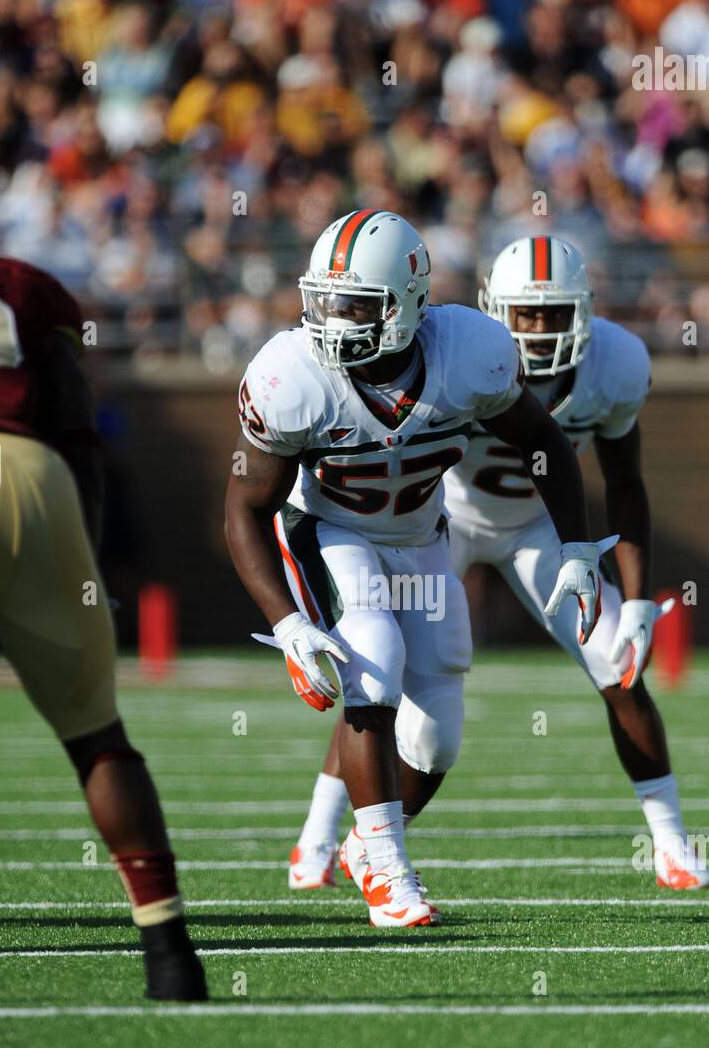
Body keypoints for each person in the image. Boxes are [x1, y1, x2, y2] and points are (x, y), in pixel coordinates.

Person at [291, 235, 709, 892]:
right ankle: (316, 840)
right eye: (524, 314)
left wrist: (633, 599)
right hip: (442, 519)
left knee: (619, 667)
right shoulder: (465, 355)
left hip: (541, 530)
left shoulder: (615, 364)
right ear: (494, 309)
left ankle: (671, 845)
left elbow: (625, 483)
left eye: (553, 314)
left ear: (585, 311)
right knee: (373, 672)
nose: (539, 331)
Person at [225, 209, 608, 927]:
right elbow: (244, 511)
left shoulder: (469, 353)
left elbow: (544, 443)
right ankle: (387, 869)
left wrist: (578, 547)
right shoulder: (292, 375)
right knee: (373, 658)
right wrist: (287, 621)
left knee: (436, 737)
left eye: (353, 305)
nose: (331, 320)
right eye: (322, 300)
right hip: (331, 528)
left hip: (421, 535)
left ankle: (366, 846)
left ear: (404, 304)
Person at [0, 160, 206, 999]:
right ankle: (170, 956)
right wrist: (86, 562)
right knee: (99, 739)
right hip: (31, 478)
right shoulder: (24, 285)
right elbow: (75, 424)